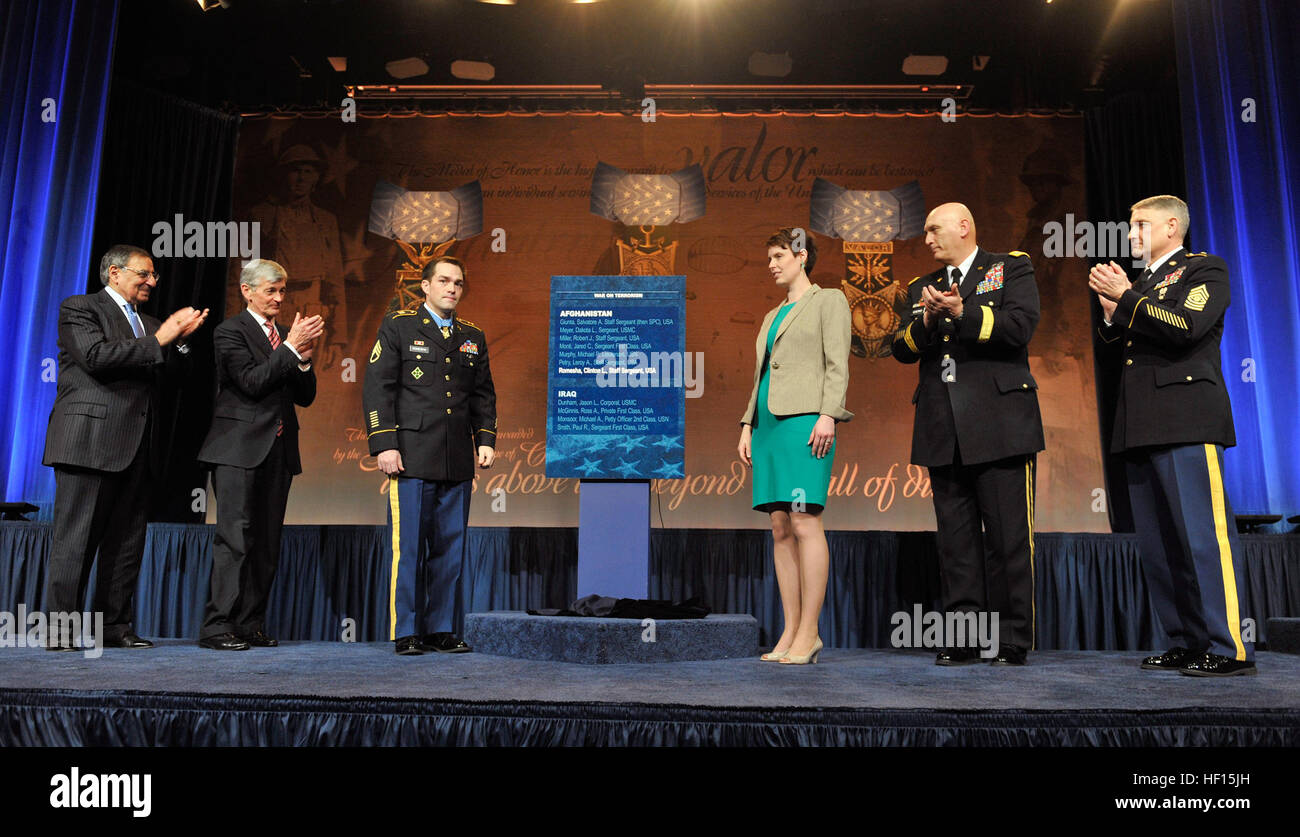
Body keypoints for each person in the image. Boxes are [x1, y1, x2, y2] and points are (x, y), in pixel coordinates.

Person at [1088, 194, 1254, 676]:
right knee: (1160, 545)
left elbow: (1186, 327)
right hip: (1140, 424)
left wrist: (1126, 299)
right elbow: (1117, 350)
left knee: (1201, 538)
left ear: (1172, 227)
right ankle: (1184, 640)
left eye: (1141, 224)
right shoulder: (1141, 283)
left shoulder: (1205, 269)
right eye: (1131, 224)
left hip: (1186, 420)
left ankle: (1227, 648)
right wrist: (1109, 311)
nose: (1132, 233)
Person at [892, 203, 1043, 666]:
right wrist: (928, 320)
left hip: (1001, 423)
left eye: (934, 229)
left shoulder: (1010, 267)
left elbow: (1020, 327)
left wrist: (966, 311)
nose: (927, 239)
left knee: (1008, 538)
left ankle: (1011, 637)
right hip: (944, 428)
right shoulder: (922, 287)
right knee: (955, 542)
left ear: (964, 226)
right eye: (925, 231)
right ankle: (962, 635)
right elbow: (899, 347)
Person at [42, 244, 208, 651]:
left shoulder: (151, 322)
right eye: (144, 273)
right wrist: (163, 337)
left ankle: (113, 628)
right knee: (76, 541)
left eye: (154, 275)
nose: (152, 281)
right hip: (89, 442)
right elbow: (96, 357)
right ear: (114, 273)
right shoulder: (80, 308)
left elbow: (175, 379)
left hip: (138, 446)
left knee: (126, 544)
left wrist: (181, 342)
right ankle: (60, 630)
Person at [363, 256, 497, 655]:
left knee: (449, 550)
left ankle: (440, 628)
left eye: (458, 282)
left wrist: (485, 439)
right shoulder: (399, 325)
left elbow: (483, 394)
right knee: (408, 551)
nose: (452, 288)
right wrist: (384, 442)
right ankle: (407, 631)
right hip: (410, 456)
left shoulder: (473, 335)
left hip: (456, 458)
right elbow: (378, 387)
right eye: (443, 280)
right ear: (425, 286)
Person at [738, 228, 852, 665]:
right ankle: (789, 631)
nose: (772, 263)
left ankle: (810, 633)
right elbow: (760, 376)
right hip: (768, 426)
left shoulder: (829, 300)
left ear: (802, 256)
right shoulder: (771, 316)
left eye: (779, 255)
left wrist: (828, 414)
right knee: (780, 527)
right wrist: (748, 424)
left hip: (806, 422)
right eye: (769, 256)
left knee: (805, 521)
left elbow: (836, 363)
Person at [197, 260, 321, 651]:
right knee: (235, 538)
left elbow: (305, 395)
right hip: (237, 448)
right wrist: (287, 348)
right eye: (271, 290)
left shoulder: (286, 336)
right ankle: (218, 627)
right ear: (247, 290)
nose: (279, 299)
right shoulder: (229, 331)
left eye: (283, 291)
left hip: (279, 450)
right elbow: (250, 383)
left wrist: (301, 357)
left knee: (267, 542)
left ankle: (250, 623)